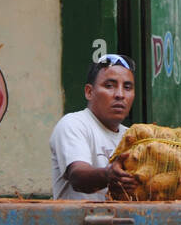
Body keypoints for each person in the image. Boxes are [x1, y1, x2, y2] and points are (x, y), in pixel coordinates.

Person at [48, 53, 140, 200]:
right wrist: (108, 175)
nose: (120, 94)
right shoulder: (73, 124)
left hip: (120, 222)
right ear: (89, 92)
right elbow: (78, 177)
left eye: (127, 87)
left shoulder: (132, 137)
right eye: (109, 86)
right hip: (80, 222)